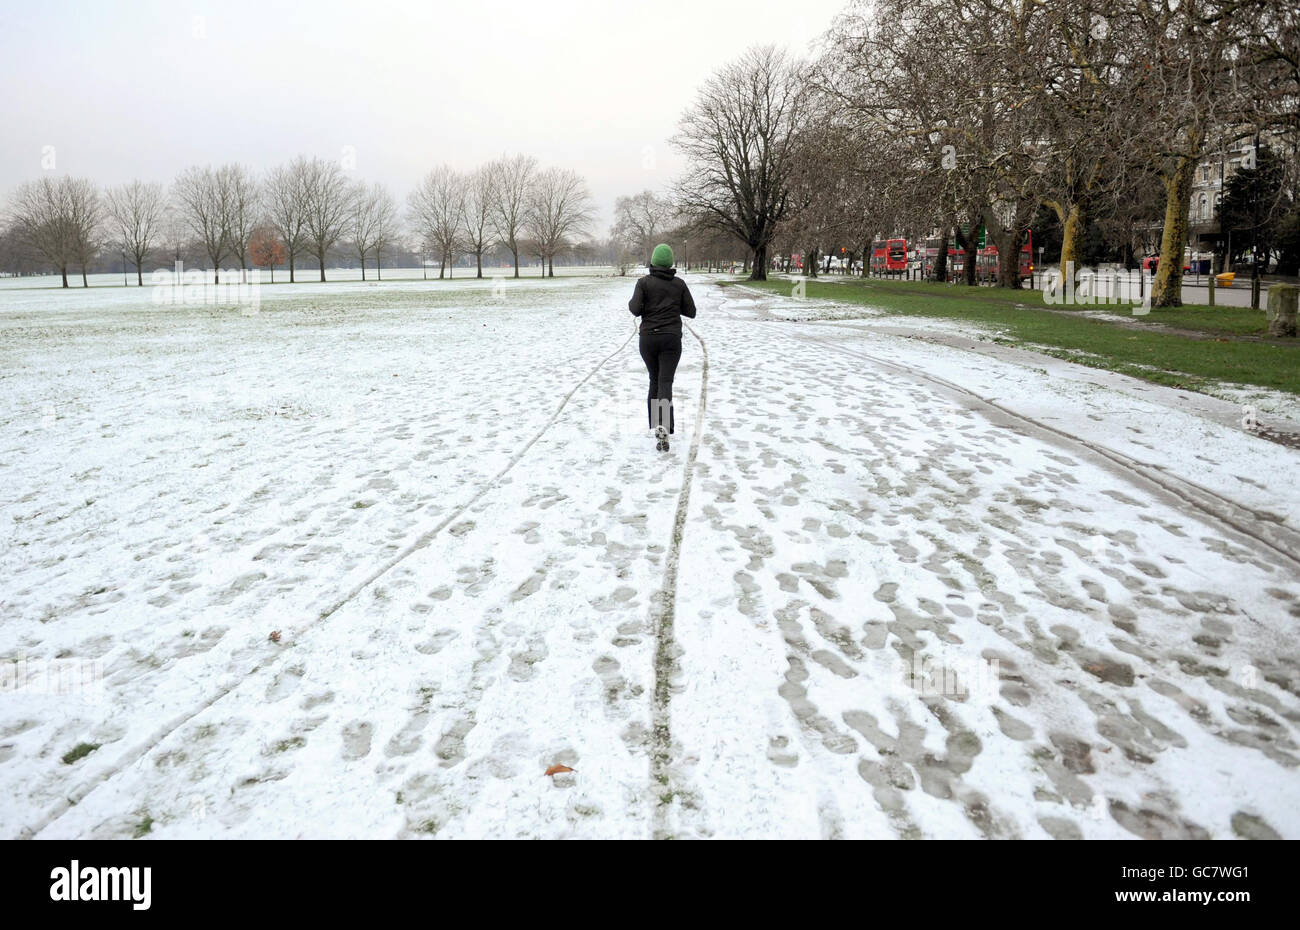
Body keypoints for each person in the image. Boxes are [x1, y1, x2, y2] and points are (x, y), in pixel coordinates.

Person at [628, 243, 696, 452]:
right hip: (671, 339)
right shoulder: (679, 284)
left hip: (648, 339)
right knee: (665, 381)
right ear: (670, 263)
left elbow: (634, 309)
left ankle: (656, 423)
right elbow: (691, 311)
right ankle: (664, 425)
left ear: (654, 262)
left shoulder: (643, 283)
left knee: (654, 379)